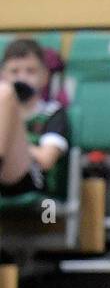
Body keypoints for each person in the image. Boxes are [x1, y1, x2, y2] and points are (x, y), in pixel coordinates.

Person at [0, 38, 70, 200]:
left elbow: (46, 159)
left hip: (32, 179)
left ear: (45, 76)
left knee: (4, 93)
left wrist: (15, 141)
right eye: (14, 72)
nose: (22, 78)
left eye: (30, 71)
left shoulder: (53, 113)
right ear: (3, 75)